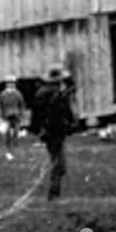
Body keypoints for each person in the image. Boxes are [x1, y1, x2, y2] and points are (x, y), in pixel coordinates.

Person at [32, 64, 75, 200]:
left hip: (47, 131)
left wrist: (37, 130)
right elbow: (66, 112)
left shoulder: (40, 93)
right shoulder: (60, 93)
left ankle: (55, 192)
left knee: (57, 160)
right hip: (57, 129)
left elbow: (36, 115)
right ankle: (54, 193)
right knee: (59, 163)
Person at [0, 75, 25, 151]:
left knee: (16, 129)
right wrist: (2, 114)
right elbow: (1, 105)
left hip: (16, 113)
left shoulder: (18, 94)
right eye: (9, 83)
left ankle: (15, 142)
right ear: (6, 84)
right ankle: (8, 143)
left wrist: (21, 113)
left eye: (12, 83)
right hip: (7, 114)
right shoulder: (3, 94)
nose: (11, 85)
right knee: (7, 130)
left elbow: (21, 104)